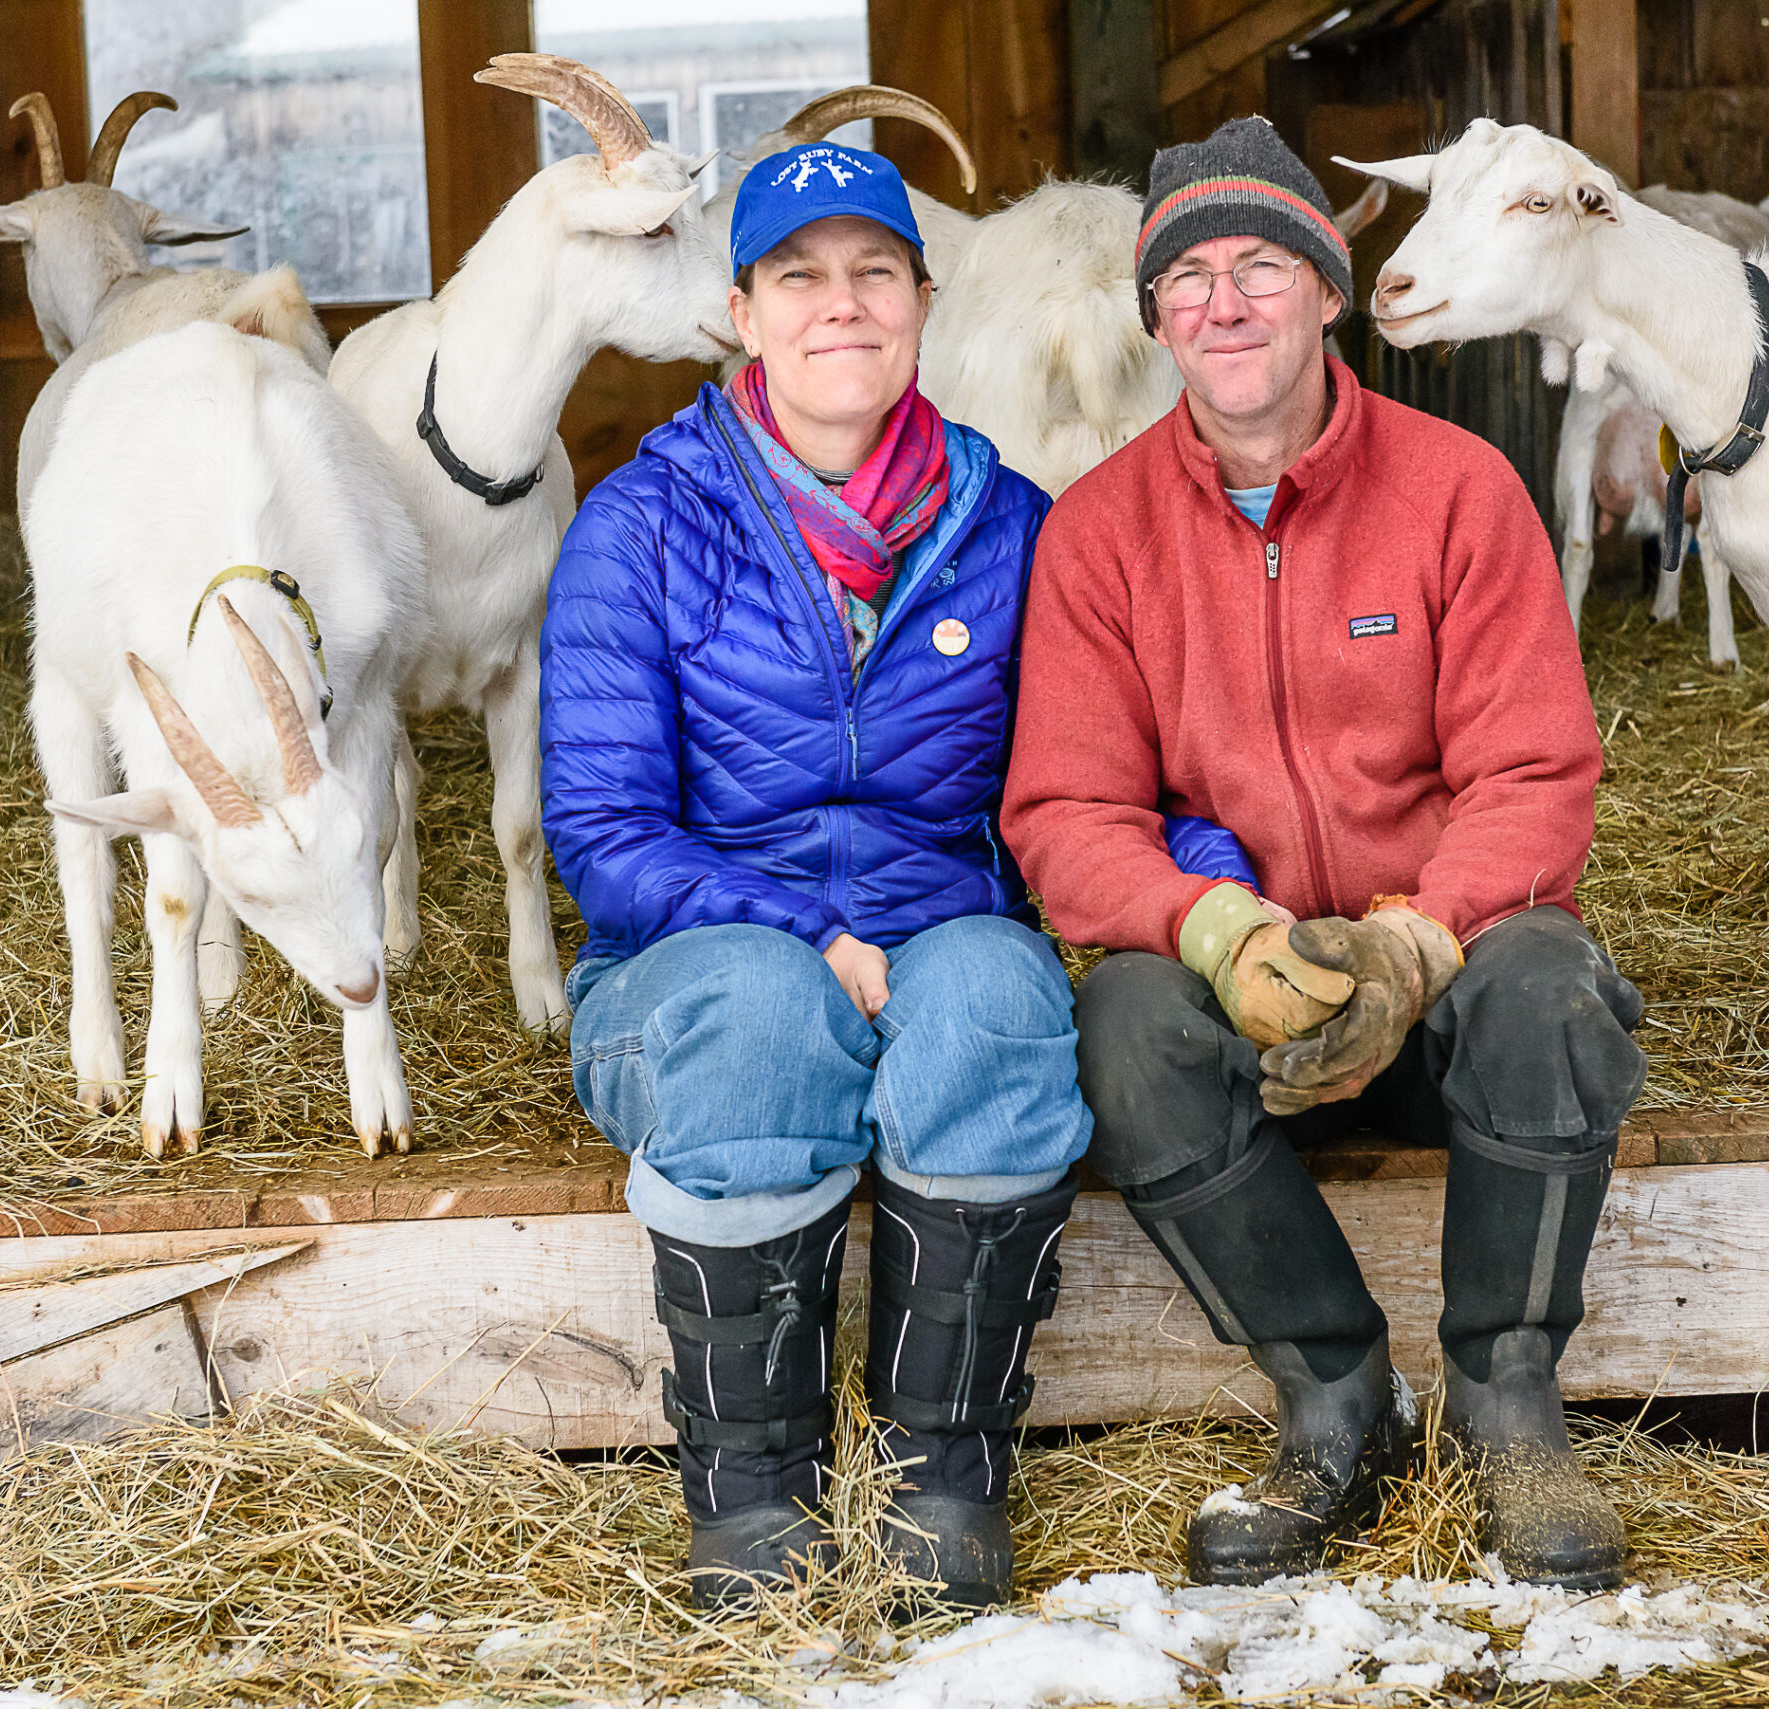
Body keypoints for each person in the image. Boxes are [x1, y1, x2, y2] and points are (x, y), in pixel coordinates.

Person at [1002, 117, 1648, 1592]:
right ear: (1156, 313)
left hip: (1436, 995)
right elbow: (1064, 814)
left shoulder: (1458, 489)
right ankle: (1337, 1393)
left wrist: (1421, 935)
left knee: (1551, 980)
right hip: (1255, 1007)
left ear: (1328, 292)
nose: (1222, 305)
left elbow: (1536, 772)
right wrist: (1220, 932)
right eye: (1189, 280)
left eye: (1261, 268)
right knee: (1119, 1021)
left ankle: (1509, 1399)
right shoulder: (1101, 537)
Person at [540, 140, 1089, 1612]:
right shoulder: (639, 527)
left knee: (999, 1005)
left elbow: (1102, 775)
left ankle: (943, 1473)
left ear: (921, 297)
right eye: (799, 276)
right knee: (766, 1016)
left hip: (937, 931)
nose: (839, 304)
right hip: (697, 959)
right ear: (740, 311)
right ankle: (753, 1486)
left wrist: (1218, 901)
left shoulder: (1012, 526)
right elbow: (601, 833)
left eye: (874, 271)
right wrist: (802, 930)